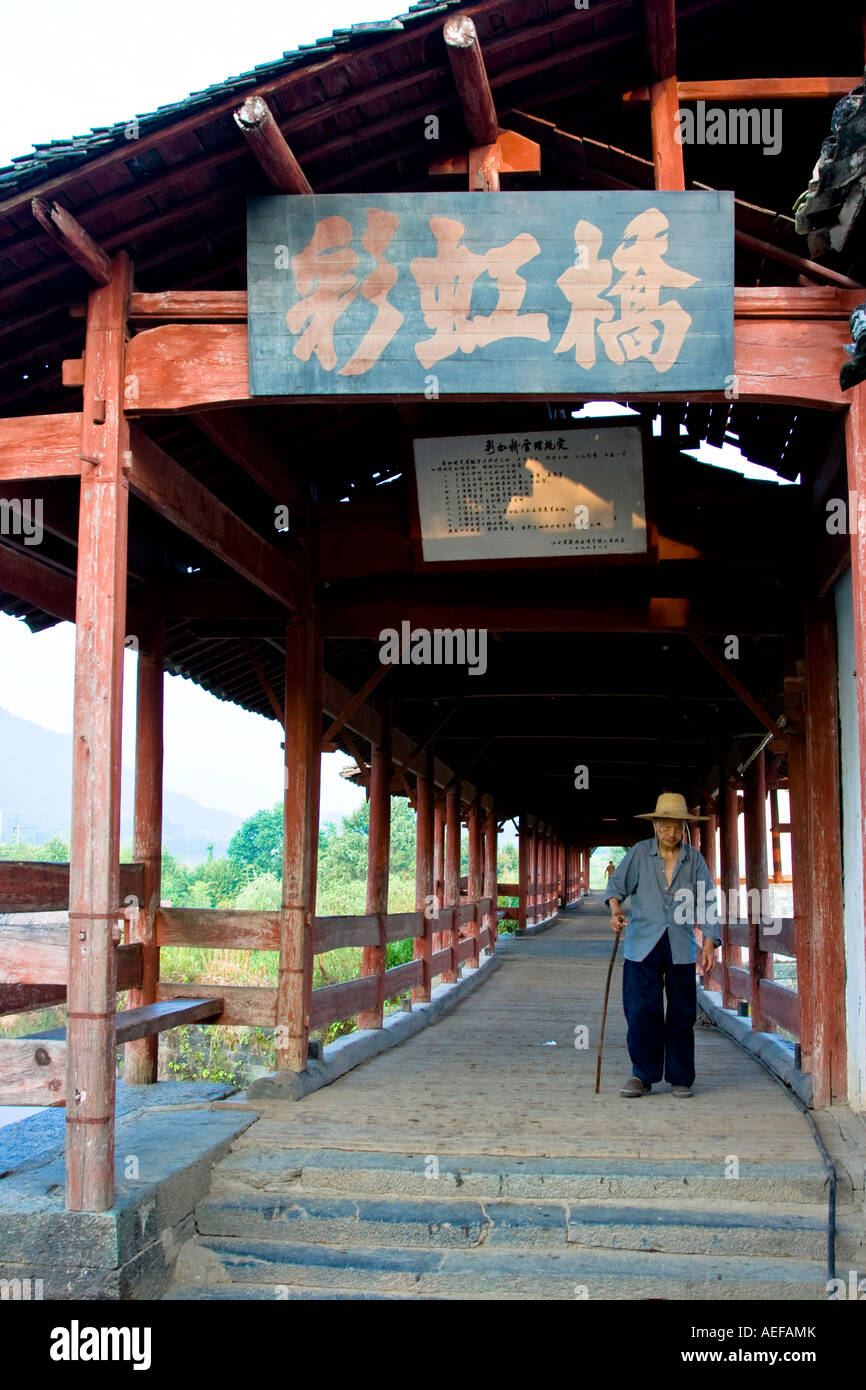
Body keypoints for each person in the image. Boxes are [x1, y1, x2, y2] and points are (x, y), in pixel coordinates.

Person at [603, 792, 721, 1099]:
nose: (671, 831)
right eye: (665, 825)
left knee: (682, 1012)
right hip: (642, 944)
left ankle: (681, 1077)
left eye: (677, 826)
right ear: (655, 824)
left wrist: (709, 942)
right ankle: (642, 1075)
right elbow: (616, 887)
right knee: (642, 1010)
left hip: (680, 945)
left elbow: (708, 901)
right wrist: (615, 913)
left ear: (684, 826)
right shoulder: (640, 854)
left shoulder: (694, 860)